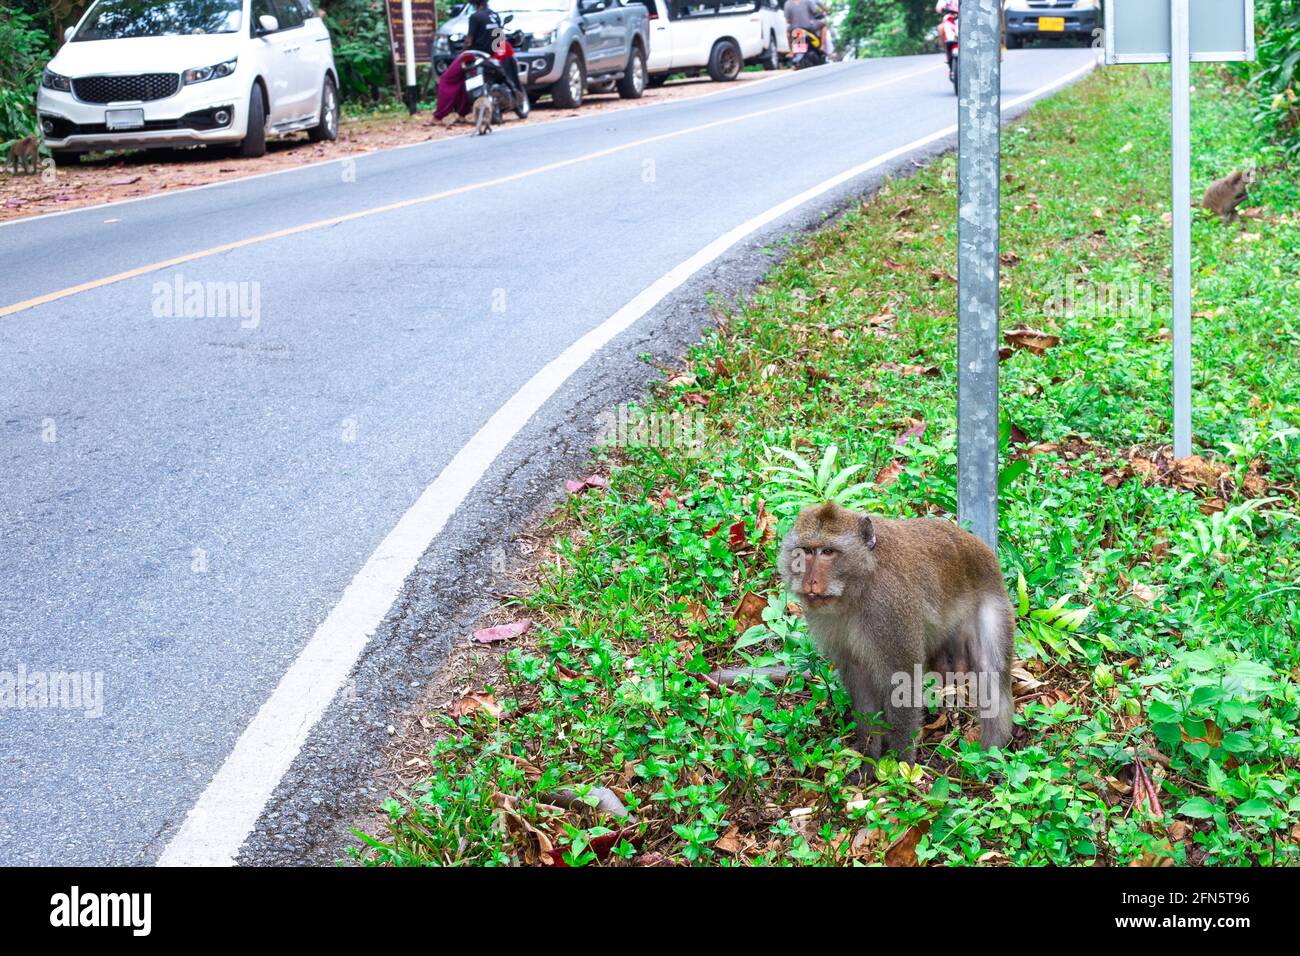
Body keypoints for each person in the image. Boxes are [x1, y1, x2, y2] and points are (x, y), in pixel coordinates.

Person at [433, 51, 474, 127]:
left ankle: (459, 117)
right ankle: (438, 118)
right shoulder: (466, 56)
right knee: (459, 85)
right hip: (448, 81)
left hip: (462, 73)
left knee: (447, 82)